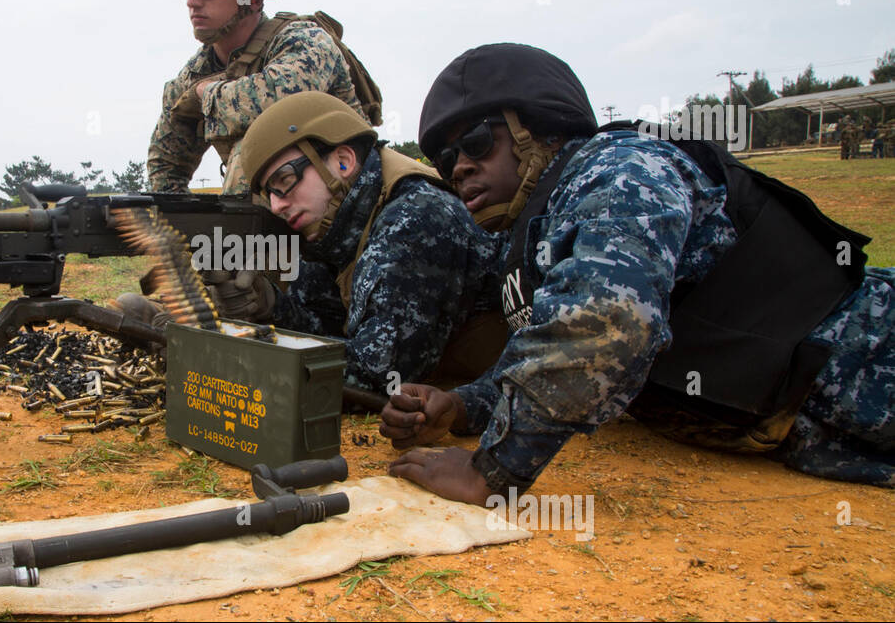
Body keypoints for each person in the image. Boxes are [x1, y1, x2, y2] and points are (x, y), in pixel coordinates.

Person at [381, 43, 895, 503]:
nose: (458, 168)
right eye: (444, 159)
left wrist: (493, 469)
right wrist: (462, 407)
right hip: (820, 424)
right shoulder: (532, 231)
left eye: (474, 142)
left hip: (868, 358)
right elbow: (542, 348)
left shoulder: (619, 169)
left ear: (537, 127)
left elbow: (607, 319)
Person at [217, 91, 507, 390]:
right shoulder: (336, 226)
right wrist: (271, 307)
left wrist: (237, 356)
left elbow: (379, 375)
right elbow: (326, 327)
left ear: (343, 162)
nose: (277, 206)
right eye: (270, 193)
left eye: (284, 182)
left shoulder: (416, 218)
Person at [146, 0, 373, 195]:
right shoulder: (197, 72)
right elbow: (165, 164)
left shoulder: (306, 42)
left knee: (253, 147)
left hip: (355, 204)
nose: (192, 1)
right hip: (279, 221)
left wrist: (205, 95)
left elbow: (277, 100)